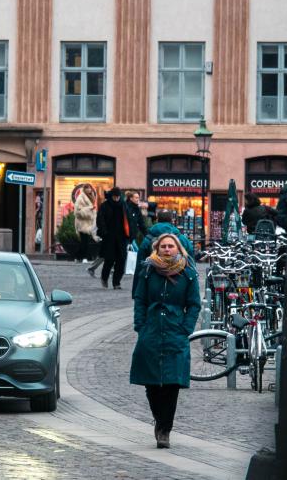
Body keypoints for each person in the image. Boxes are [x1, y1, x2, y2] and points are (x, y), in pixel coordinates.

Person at [131, 233, 200, 448]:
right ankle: (159, 420)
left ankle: (164, 429)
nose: (167, 249)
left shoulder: (188, 273)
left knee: (172, 384)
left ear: (178, 248)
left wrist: (185, 328)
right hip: (151, 331)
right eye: (163, 246)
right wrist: (140, 326)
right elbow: (140, 299)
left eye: (171, 246)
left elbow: (194, 304)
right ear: (157, 249)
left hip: (175, 332)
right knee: (152, 383)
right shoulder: (148, 271)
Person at [136, 210, 196, 276]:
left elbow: (140, 266)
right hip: (178, 278)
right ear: (172, 220)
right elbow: (191, 261)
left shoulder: (148, 239)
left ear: (157, 219)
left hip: (153, 279)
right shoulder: (182, 238)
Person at [96, 187, 131, 289]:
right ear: (111, 196)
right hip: (109, 238)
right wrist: (104, 232)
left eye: (118, 196)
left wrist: (130, 235)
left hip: (121, 238)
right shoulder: (105, 206)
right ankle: (104, 278)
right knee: (109, 260)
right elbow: (100, 220)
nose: (116, 198)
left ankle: (116, 282)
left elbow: (129, 220)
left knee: (121, 261)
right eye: (115, 196)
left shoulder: (123, 205)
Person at [73, 187, 97, 263]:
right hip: (82, 223)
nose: (90, 190)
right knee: (84, 241)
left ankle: (77, 256)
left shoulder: (91, 197)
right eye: (87, 188)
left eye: (90, 188)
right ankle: (84, 257)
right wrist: (90, 210)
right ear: (84, 189)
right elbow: (77, 212)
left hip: (88, 224)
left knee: (85, 241)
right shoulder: (80, 198)